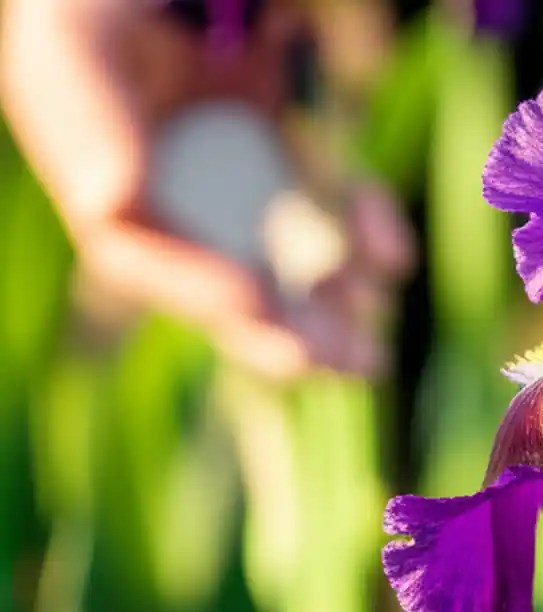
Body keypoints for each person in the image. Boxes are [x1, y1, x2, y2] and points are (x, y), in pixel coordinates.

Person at [0, 0, 414, 378]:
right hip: (205, 211)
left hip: (269, 144)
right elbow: (118, 227)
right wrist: (248, 306)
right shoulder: (63, 39)